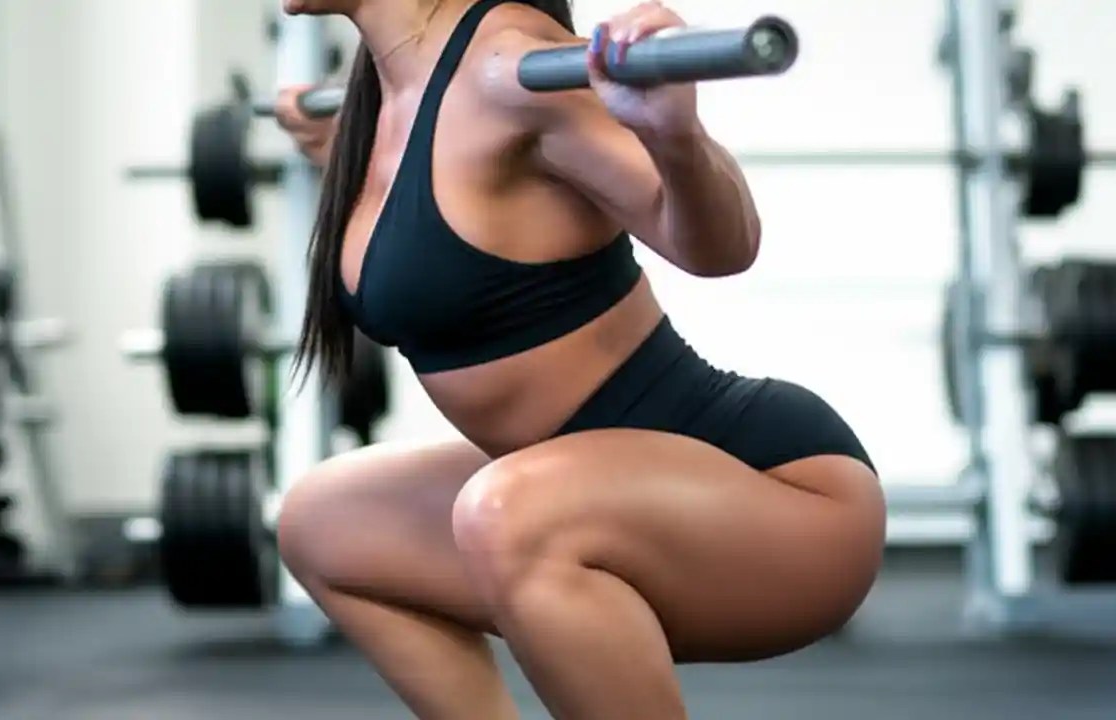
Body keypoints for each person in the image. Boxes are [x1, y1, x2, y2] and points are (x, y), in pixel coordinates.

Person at [272, 0, 886, 718]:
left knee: (506, 511)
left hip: (777, 494)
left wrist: (673, 136)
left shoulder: (512, 69)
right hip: (569, 499)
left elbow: (722, 248)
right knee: (326, 522)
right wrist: (343, 146)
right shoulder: (390, 102)